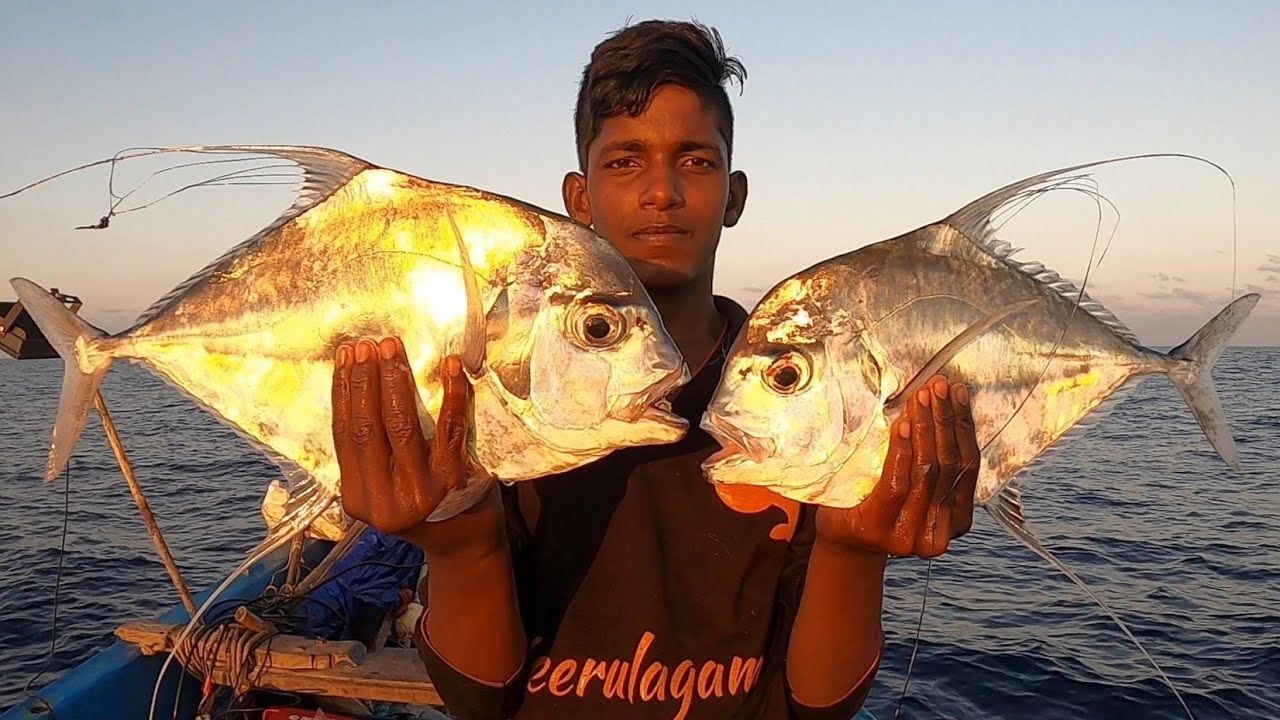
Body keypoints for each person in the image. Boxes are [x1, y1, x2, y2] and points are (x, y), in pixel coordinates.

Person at [330, 19, 981, 720]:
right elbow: (483, 698)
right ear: (579, 200)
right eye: (625, 161)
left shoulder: (806, 394)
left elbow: (814, 706)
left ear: (734, 195)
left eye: (695, 160)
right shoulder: (515, 389)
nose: (661, 191)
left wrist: (854, 552)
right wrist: (461, 543)